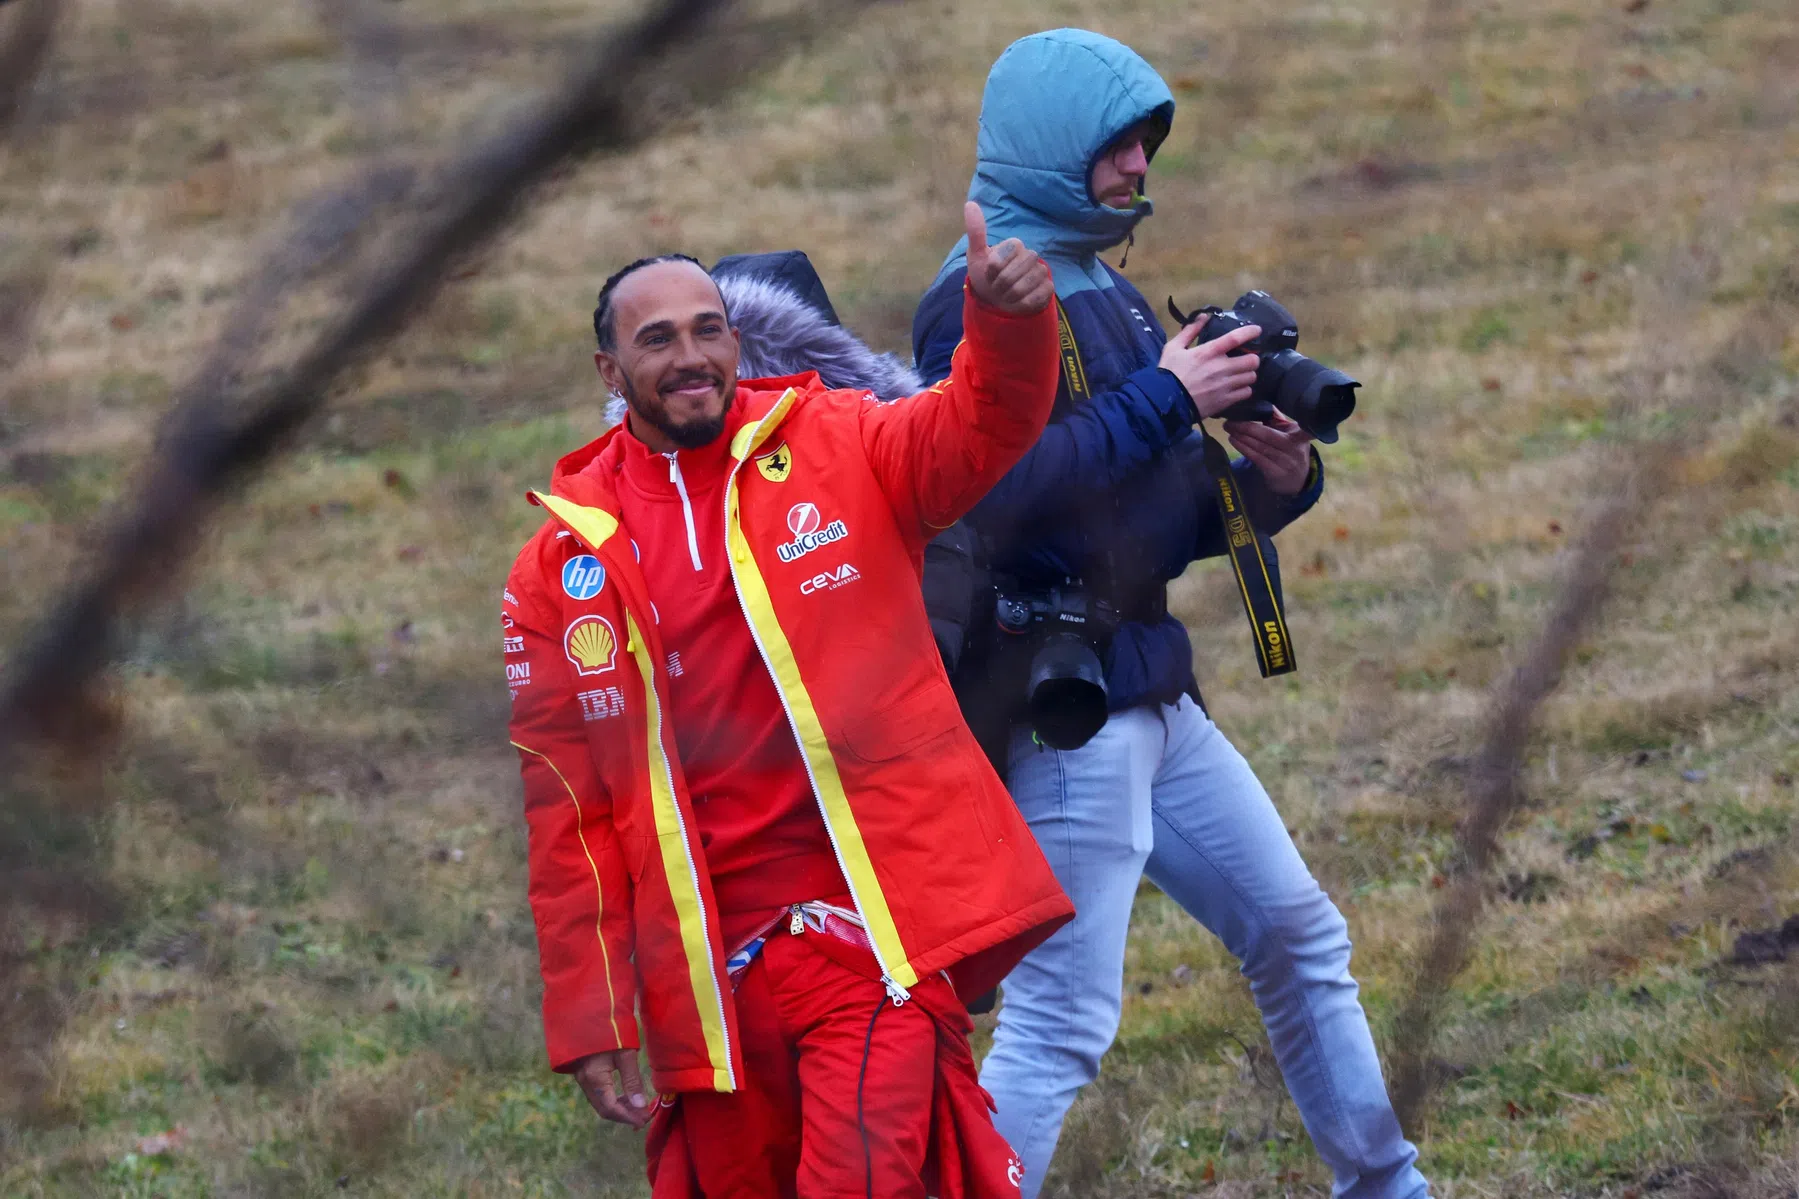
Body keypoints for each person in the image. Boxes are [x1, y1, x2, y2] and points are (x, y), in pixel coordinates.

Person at [911, 29, 1431, 1199]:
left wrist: (1270, 481)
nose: (1138, 167)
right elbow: (989, 497)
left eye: (1145, 144)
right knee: (1059, 1021)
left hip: (1145, 684)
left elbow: (1136, 518)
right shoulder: (975, 302)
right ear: (1049, 146)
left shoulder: (1106, 288)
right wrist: (1165, 394)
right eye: (1114, 147)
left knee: (1298, 935)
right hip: (1061, 706)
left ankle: (1387, 1186)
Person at [503, 203, 1074, 1199]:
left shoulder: (840, 443)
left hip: (869, 939)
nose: (691, 356)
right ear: (609, 373)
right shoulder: (560, 563)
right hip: (704, 985)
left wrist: (1006, 325)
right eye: (658, 339)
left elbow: (981, 423)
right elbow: (569, 814)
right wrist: (591, 1015)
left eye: (708, 328)